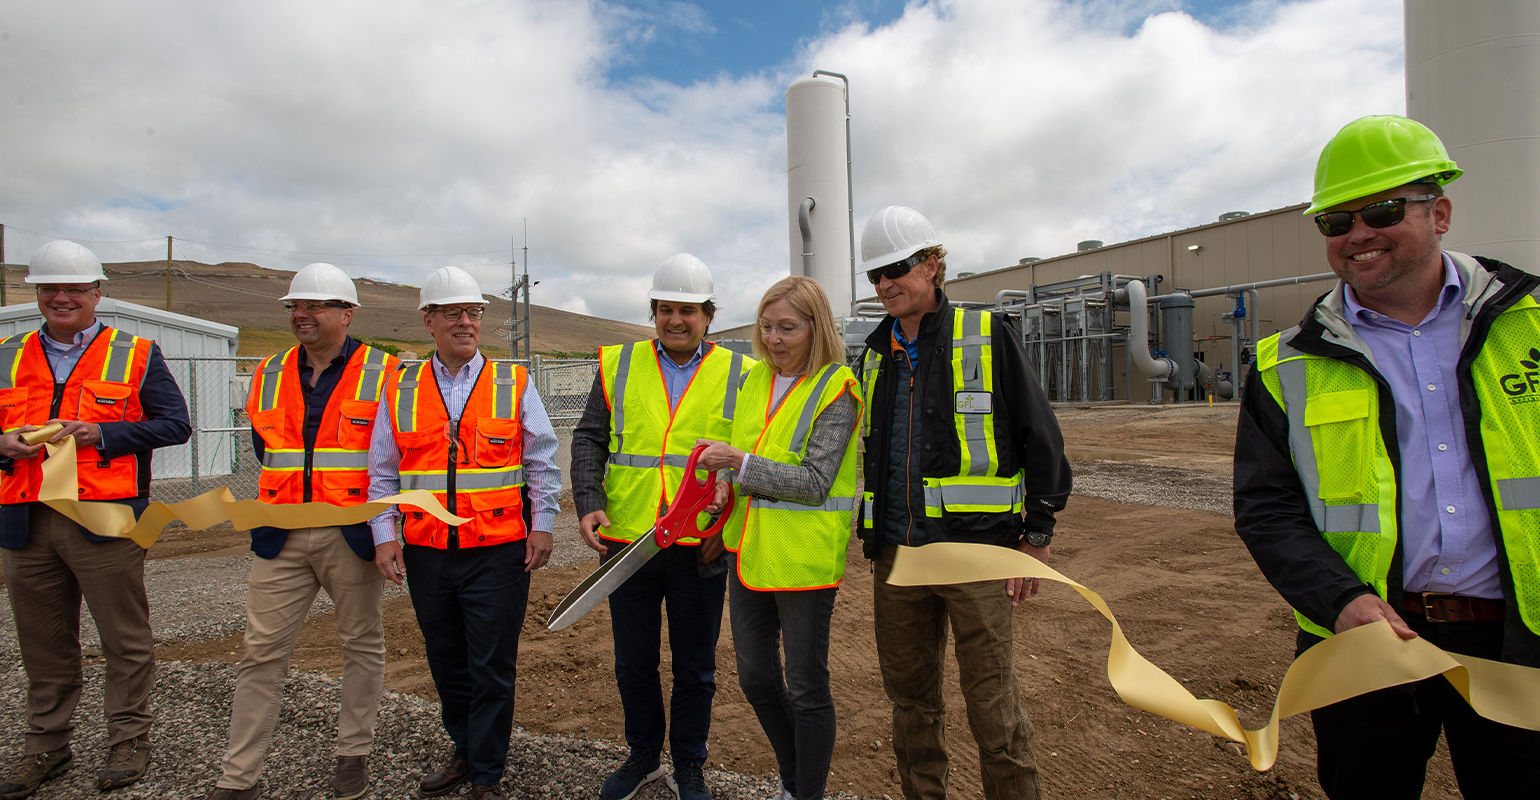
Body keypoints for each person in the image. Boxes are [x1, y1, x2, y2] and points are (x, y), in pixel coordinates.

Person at [1233, 114, 1540, 799]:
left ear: (1441, 214)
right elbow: (1267, 508)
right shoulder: (1287, 362)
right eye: (1337, 221)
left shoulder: (1533, 324)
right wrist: (1340, 601)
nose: (1358, 234)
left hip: (1523, 640)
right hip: (1365, 642)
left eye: (1382, 211)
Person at [854, 206, 1071, 800]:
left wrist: (1037, 535)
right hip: (896, 557)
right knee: (911, 704)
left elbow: (1041, 436)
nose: (884, 284)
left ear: (932, 264)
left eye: (896, 268)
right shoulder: (873, 355)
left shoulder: (984, 334)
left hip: (976, 553)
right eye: (874, 275)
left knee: (993, 708)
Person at [0, 240, 191, 799]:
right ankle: (45, 746)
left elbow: (174, 425)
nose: (62, 298)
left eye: (75, 289)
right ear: (37, 293)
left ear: (96, 293)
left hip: (104, 520)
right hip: (25, 520)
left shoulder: (135, 353)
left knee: (124, 638)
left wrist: (101, 433)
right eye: (50, 289)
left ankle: (128, 740)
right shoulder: (7, 354)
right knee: (42, 641)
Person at [206, 264, 400, 800]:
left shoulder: (386, 372)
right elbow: (265, 448)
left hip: (351, 533)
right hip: (280, 534)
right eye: (295, 306)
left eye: (314, 306)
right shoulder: (269, 372)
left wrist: (386, 527)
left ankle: (352, 755)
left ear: (347, 313)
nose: (301, 315)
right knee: (260, 652)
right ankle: (238, 778)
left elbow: (396, 456)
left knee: (362, 644)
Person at [367, 266, 560, 800]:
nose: (465, 322)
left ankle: (487, 774)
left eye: (472, 312)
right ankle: (465, 750)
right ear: (428, 320)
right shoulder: (400, 387)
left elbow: (542, 460)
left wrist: (543, 525)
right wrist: (384, 534)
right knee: (446, 660)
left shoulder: (513, 383)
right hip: (428, 552)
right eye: (452, 312)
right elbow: (382, 472)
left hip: (498, 552)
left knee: (492, 665)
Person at [569, 254, 752, 800]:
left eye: (688, 310)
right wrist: (588, 501)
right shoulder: (619, 364)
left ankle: (689, 763)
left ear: (708, 316)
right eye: (666, 309)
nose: (676, 320)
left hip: (701, 543)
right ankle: (644, 756)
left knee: (696, 667)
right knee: (634, 662)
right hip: (629, 541)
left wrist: (728, 516)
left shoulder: (741, 372)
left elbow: (750, 454)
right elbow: (589, 438)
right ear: (653, 312)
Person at [696, 275, 861, 800]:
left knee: (807, 689)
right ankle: (795, 780)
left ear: (817, 328)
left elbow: (815, 482)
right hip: (749, 550)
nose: (773, 339)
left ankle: (804, 792)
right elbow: (744, 457)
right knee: (756, 680)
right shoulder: (756, 381)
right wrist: (725, 484)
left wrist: (739, 463)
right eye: (766, 327)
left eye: (787, 328)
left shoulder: (837, 389)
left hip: (804, 559)